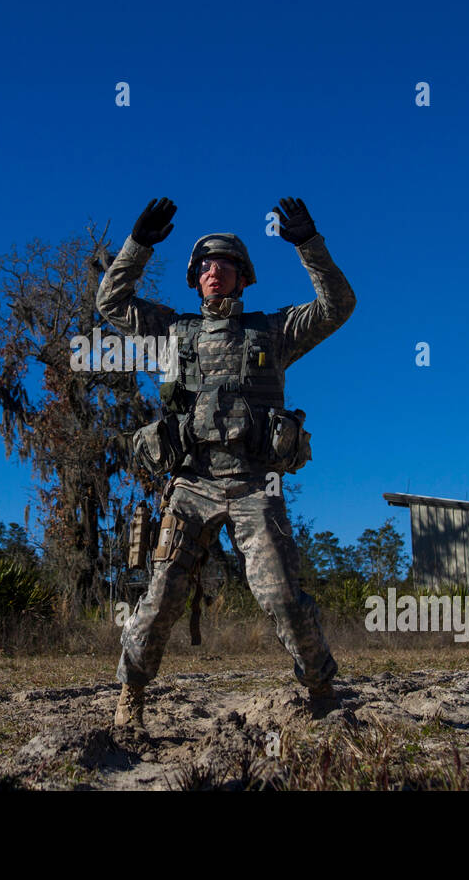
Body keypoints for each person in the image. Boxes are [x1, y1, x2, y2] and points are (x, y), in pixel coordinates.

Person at [98, 196, 358, 728]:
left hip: (253, 485)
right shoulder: (174, 334)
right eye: (204, 266)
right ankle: (131, 696)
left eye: (225, 264)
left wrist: (309, 244)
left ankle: (322, 688)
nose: (213, 271)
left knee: (281, 597)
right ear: (195, 280)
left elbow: (338, 306)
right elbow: (111, 301)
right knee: (161, 594)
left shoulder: (274, 331)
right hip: (190, 484)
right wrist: (138, 245)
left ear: (244, 278)